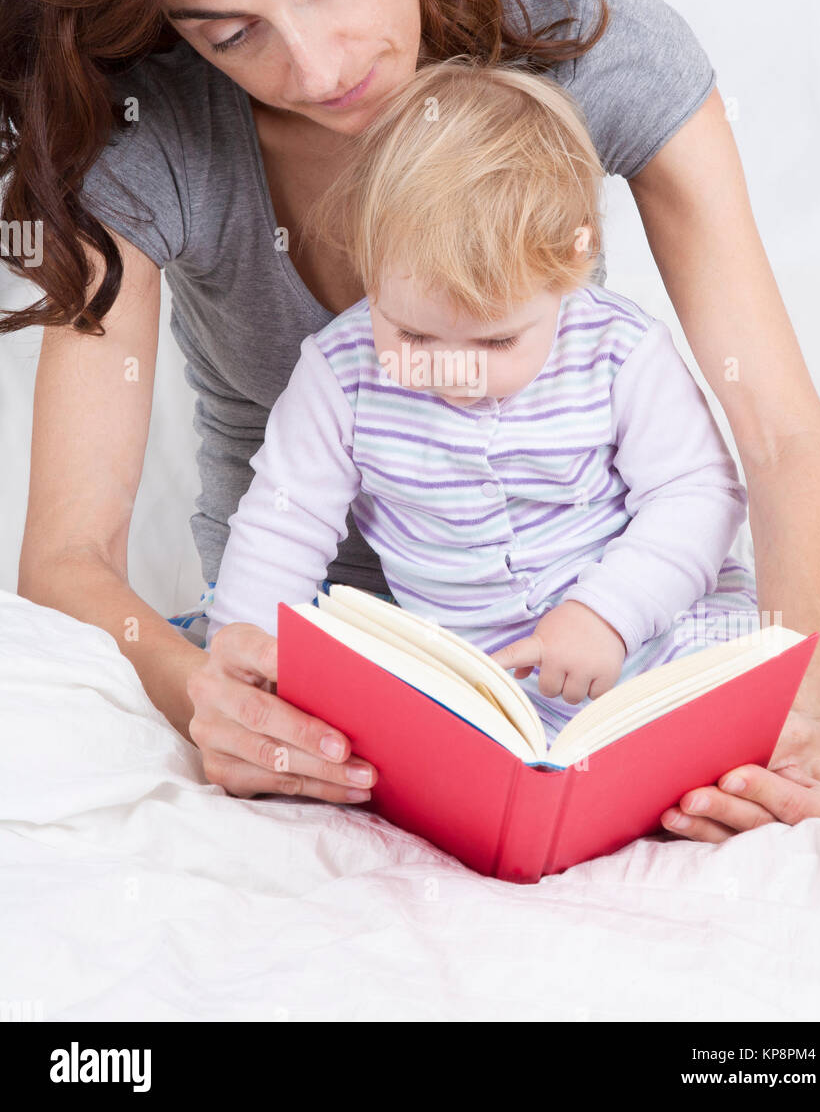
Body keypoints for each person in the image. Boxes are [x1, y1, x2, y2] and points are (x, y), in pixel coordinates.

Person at [2, 0, 820, 841]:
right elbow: (68, 558)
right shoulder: (146, 129)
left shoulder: (590, 45)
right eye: (229, 34)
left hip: (604, 625)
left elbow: (778, 439)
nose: (315, 68)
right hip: (324, 662)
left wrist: (798, 718)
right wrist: (201, 686)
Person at [205, 55, 764, 748]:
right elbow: (280, 528)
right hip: (473, 677)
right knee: (362, 724)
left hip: (653, 630)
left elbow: (699, 496)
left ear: (571, 266)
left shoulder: (619, 352)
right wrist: (244, 657)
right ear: (368, 262)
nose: (451, 370)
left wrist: (607, 613)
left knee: (747, 691)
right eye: (410, 332)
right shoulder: (339, 375)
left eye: (496, 343)